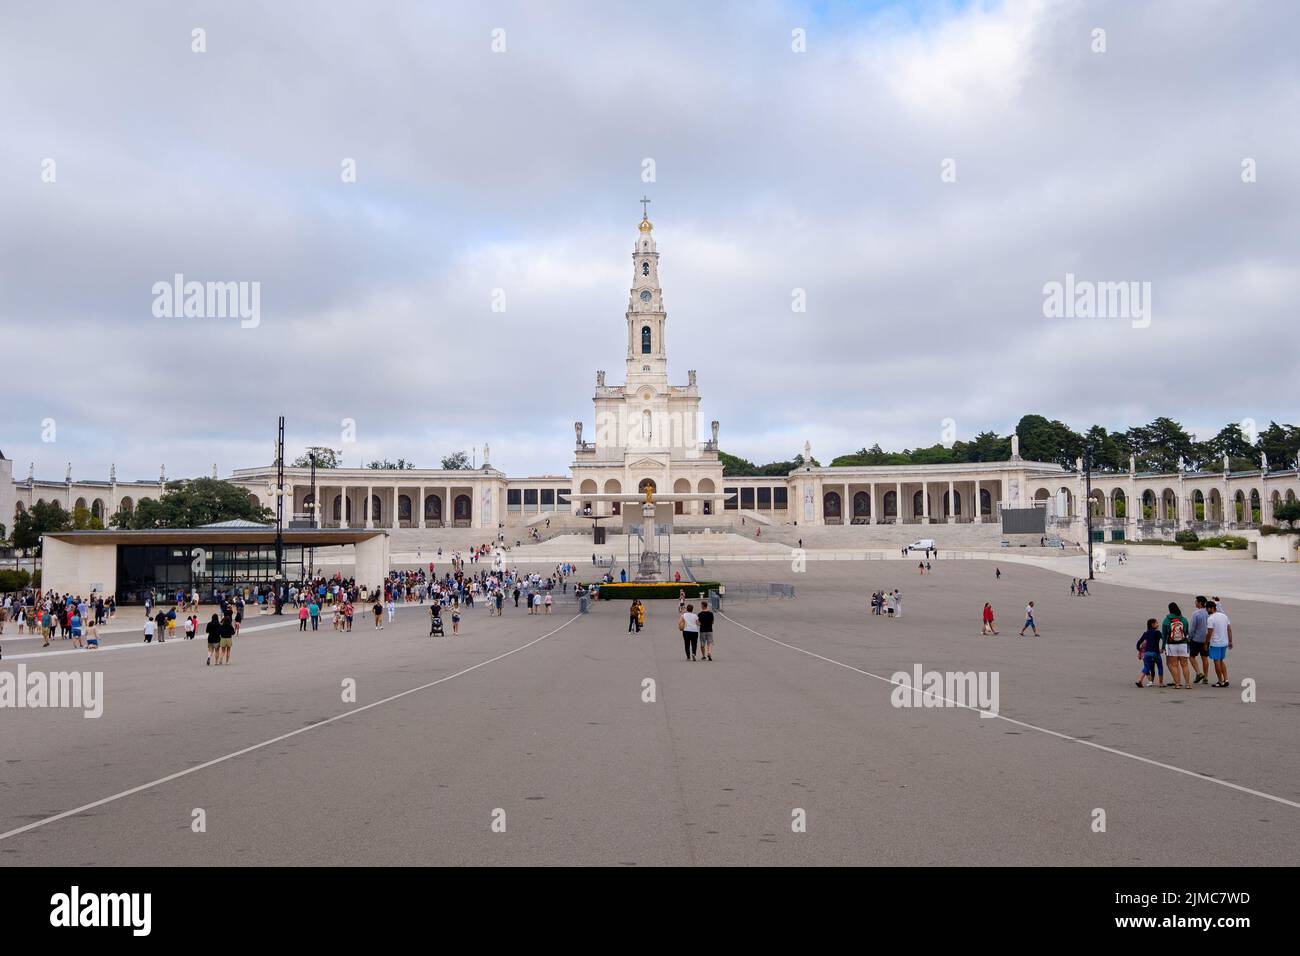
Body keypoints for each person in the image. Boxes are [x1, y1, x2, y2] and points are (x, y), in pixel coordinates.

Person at [1161, 601, 1192, 688]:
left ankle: (1177, 684)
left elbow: (1164, 635)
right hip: (1183, 644)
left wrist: (1163, 647)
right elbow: (1186, 632)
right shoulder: (1184, 619)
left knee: (1174, 665)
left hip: (1171, 644)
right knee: (1185, 665)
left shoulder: (1166, 620)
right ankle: (1187, 684)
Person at [1205, 600, 1233, 687]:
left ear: (1212, 608)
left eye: (1207, 608)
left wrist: (1206, 643)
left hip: (1216, 643)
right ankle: (1226, 679)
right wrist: (1230, 641)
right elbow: (1229, 629)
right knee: (1221, 660)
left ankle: (1220, 681)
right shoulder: (1224, 616)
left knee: (1216, 661)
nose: (1207, 610)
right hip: (1224, 642)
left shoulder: (1211, 618)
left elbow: (1209, 632)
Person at [1187, 596, 1210, 684]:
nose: (1195, 603)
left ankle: (1199, 673)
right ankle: (1206, 677)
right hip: (1206, 639)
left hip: (1196, 638)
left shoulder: (1196, 614)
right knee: (1204, 657)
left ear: (1200, 603)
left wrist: (1189, 638)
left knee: (1191, 656)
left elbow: (1192, 628)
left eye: (1196, 602)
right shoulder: (1209, 613)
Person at [1136, 618, 1164, 687]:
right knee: (1160, 667)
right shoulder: (1157, 632)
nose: (1158, 624)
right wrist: (1162, 648)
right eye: (1156, 623)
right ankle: (1161, 683)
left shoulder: (1146, 633)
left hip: (1147, 653)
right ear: (1153, 624)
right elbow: (1164, 639)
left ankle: (1140, 680)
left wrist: (1140, 651)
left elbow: (1138, 643)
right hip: (1155, 653)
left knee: (1146, 667)